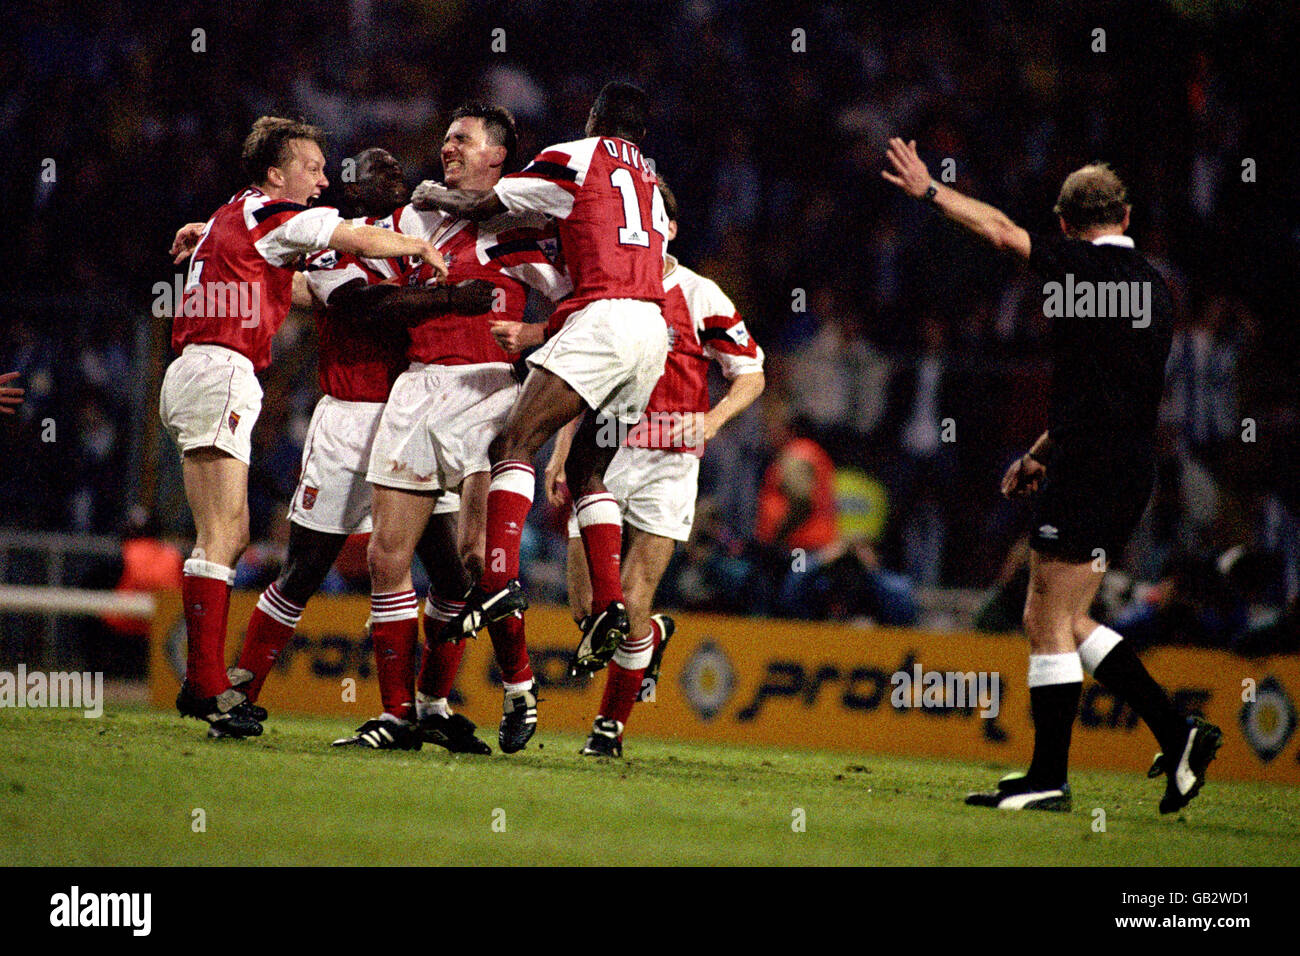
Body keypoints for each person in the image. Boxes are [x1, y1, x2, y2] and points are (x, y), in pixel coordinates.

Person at [883, 138, 1221, 813]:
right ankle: (1173, 734)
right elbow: (1107, 389)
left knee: (1045, 616)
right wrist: (1041, 450)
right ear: (1125, 217)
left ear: (1066, 223)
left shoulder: (1076, 267)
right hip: (1125, 463)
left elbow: (999, 230)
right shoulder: (1158, 288)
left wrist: (929, 189)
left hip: (1092, 466)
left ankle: (1051, 778)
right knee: (1062, 615)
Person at [163, 116, 445, 739]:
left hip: (196, 370)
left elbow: (273, 278)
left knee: (224, 534)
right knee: (224, 535)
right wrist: (416, 248)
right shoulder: (270, 212)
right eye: (313, 168)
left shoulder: (233, 214)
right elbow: (349, 238)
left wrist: (200, 236)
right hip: (222, 370)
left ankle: (206, 682)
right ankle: (207, 685)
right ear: (274, 173)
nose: (323, 179)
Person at [204, 146, 492, 748]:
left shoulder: (418, 227)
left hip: (416, 417)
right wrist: (448, 299)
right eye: (377, 168)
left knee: (449, 574)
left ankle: (427, 709)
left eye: (396, 165)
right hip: (351, 424)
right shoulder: (332, 244)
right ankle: (240, 690)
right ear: (353, 191)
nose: (395, 172)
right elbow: (363, 306)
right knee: (305, 567)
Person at [410, 82, 669, 751]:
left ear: (593, 119)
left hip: (604, 316)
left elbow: (480, 203)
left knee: (514, 443)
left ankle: (499, 580)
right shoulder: (653, 183)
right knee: (587, 470)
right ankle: (610, 603)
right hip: (651, 333)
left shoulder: (577, 157)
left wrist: (429, 195)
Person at [351, 105, 571, 753]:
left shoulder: (516, 228)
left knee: (479, 559)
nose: (448, 148)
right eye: (446, 139)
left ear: (498, 158)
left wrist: (534, 336)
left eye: (464, 140)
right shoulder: (411, 221)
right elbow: (351, 277)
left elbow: (580, 303)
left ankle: (512, 689)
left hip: (487, 392)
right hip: (416, 388)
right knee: (386, 557)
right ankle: (400, 717)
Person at [523, 179, 765, 757]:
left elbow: (751, 372)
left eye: (662, 219)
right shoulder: (606, 288)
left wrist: (711, 421)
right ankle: (651, 639)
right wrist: (559, 452)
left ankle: (608, 731)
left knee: (632, 596)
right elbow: (575, 382)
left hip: (670, 464)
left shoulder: (702, 294)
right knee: (588, 609)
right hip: (601, 454)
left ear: (670, 230)